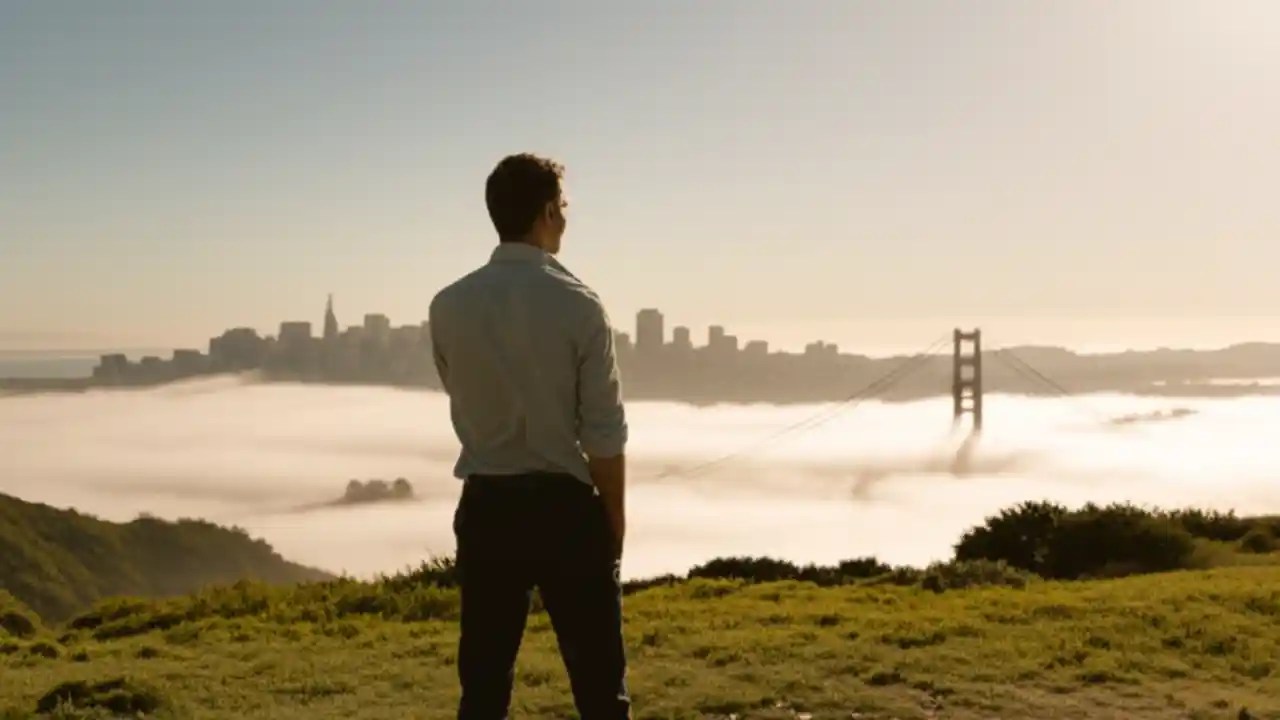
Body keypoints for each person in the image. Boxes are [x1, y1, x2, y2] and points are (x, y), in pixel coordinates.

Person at [429, 153, 631, 719]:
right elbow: (604, 432)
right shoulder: (581, 305)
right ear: (547, 211)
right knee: (600, 690)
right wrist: (613, 518)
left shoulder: (447, 306)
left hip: (488, 506)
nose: (565, 219)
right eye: (563, 207)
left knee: (485, 689)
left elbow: (458, 392)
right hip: (566, 510)